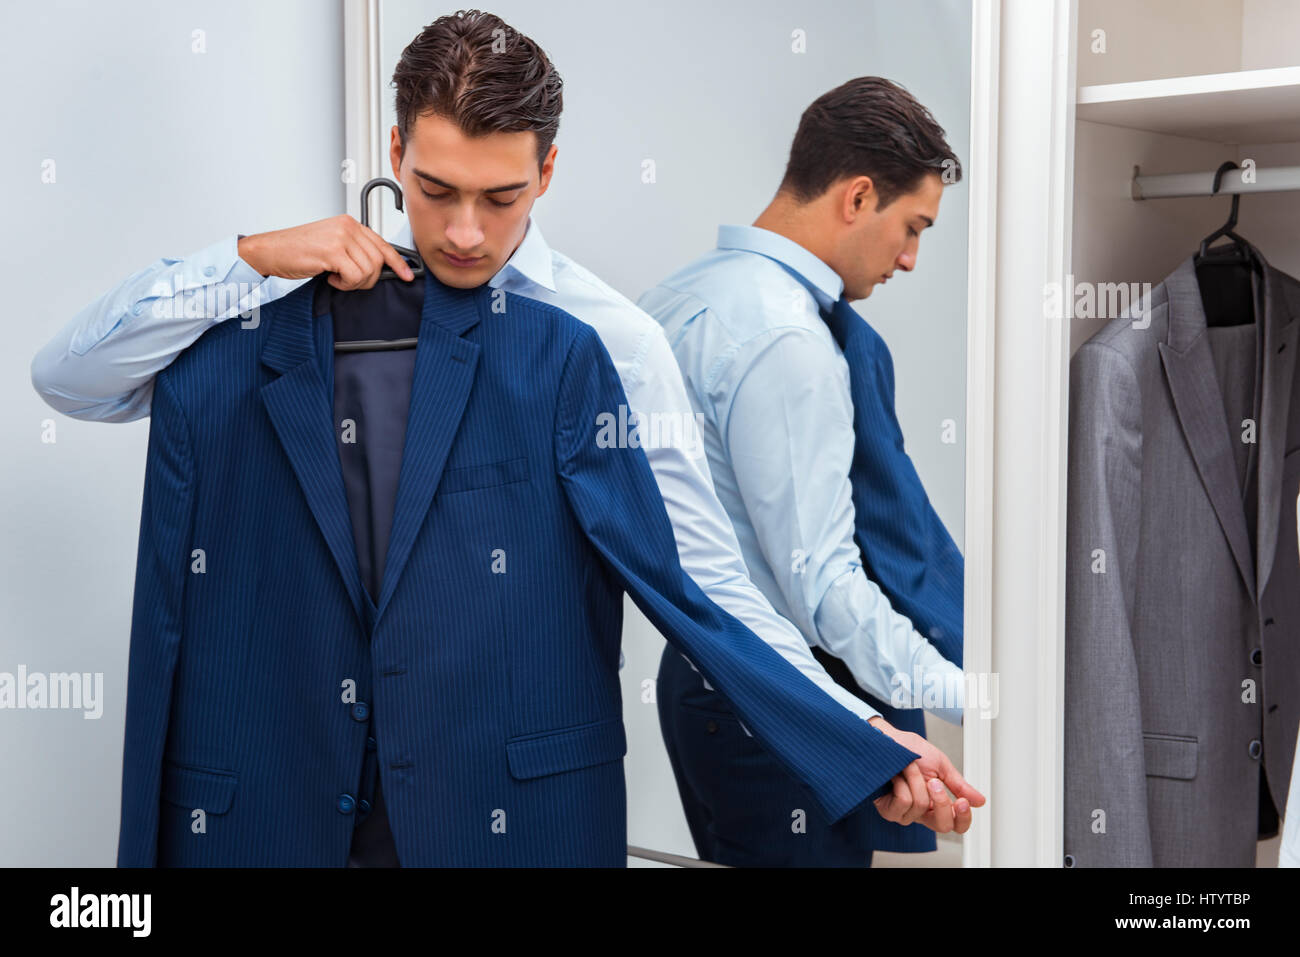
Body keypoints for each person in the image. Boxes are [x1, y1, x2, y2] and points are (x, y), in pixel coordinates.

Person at [30, 10, 982, 860]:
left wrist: (857, 728)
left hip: (501, 810)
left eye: (501, 197)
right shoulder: (273, 314)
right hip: (291, 793)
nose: (463, 233)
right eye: (435, 189)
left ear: (548, 172)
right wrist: (245, 258)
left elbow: (702, 576)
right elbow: (71, 377)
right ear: (396, 151)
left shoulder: (604, 344)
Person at [640, 77, 969, 867]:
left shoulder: (680, 295)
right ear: (858, 196)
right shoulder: (786, 339)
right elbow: (819, 584)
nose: (912, 258)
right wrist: (974, 690)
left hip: (707, 687)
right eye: (912, 225)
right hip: (774, 707)